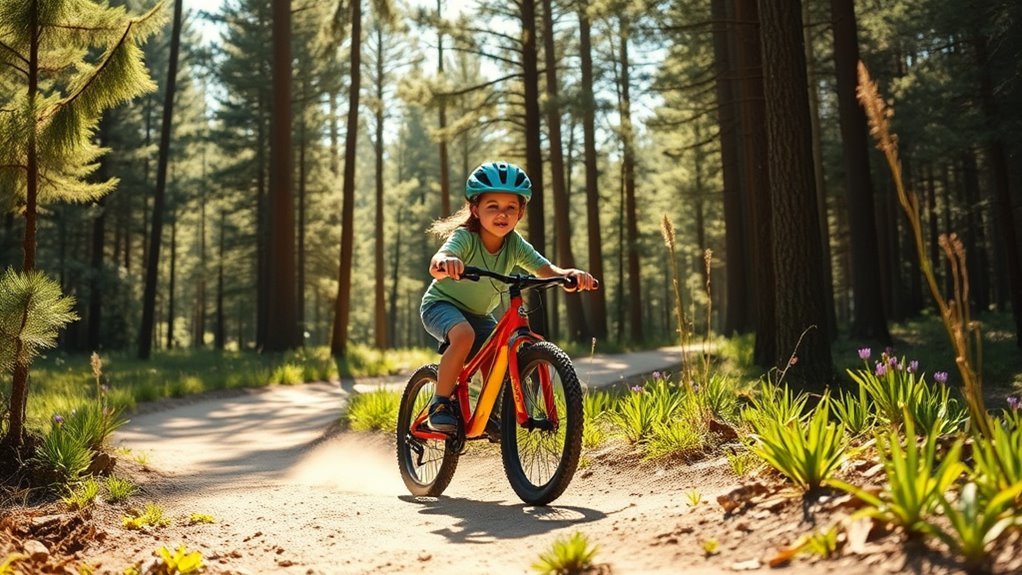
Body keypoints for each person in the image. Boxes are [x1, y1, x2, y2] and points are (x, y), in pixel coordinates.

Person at [419, 161, 597, 434]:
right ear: (475, 210)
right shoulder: (466, 237)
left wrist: (568, 276)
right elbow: (438, 260)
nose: (502, 214)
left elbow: (546, 269)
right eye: (493, 206)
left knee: (497, 355)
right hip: (441, 305)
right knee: (464, 336)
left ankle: (487, 412)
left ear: (520, 212)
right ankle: (440, 404)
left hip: (479, 314)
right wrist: (447, 262)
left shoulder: (515, 244)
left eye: (510, 207)